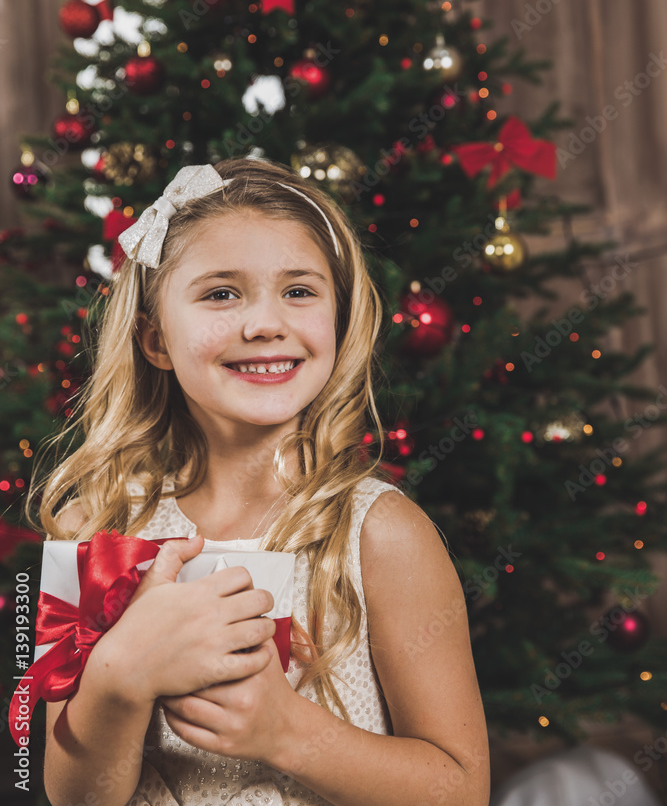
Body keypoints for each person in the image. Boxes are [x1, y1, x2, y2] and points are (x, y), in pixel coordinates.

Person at [27, 155, 490, 806]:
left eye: (299, 291)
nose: (266, 324)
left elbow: (461, 790)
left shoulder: (381, 535)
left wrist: (287, 733)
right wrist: (117, 677)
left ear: (337, 319)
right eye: (221, 293)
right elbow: (73, 796)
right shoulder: (95, 528)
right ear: (155, 340)